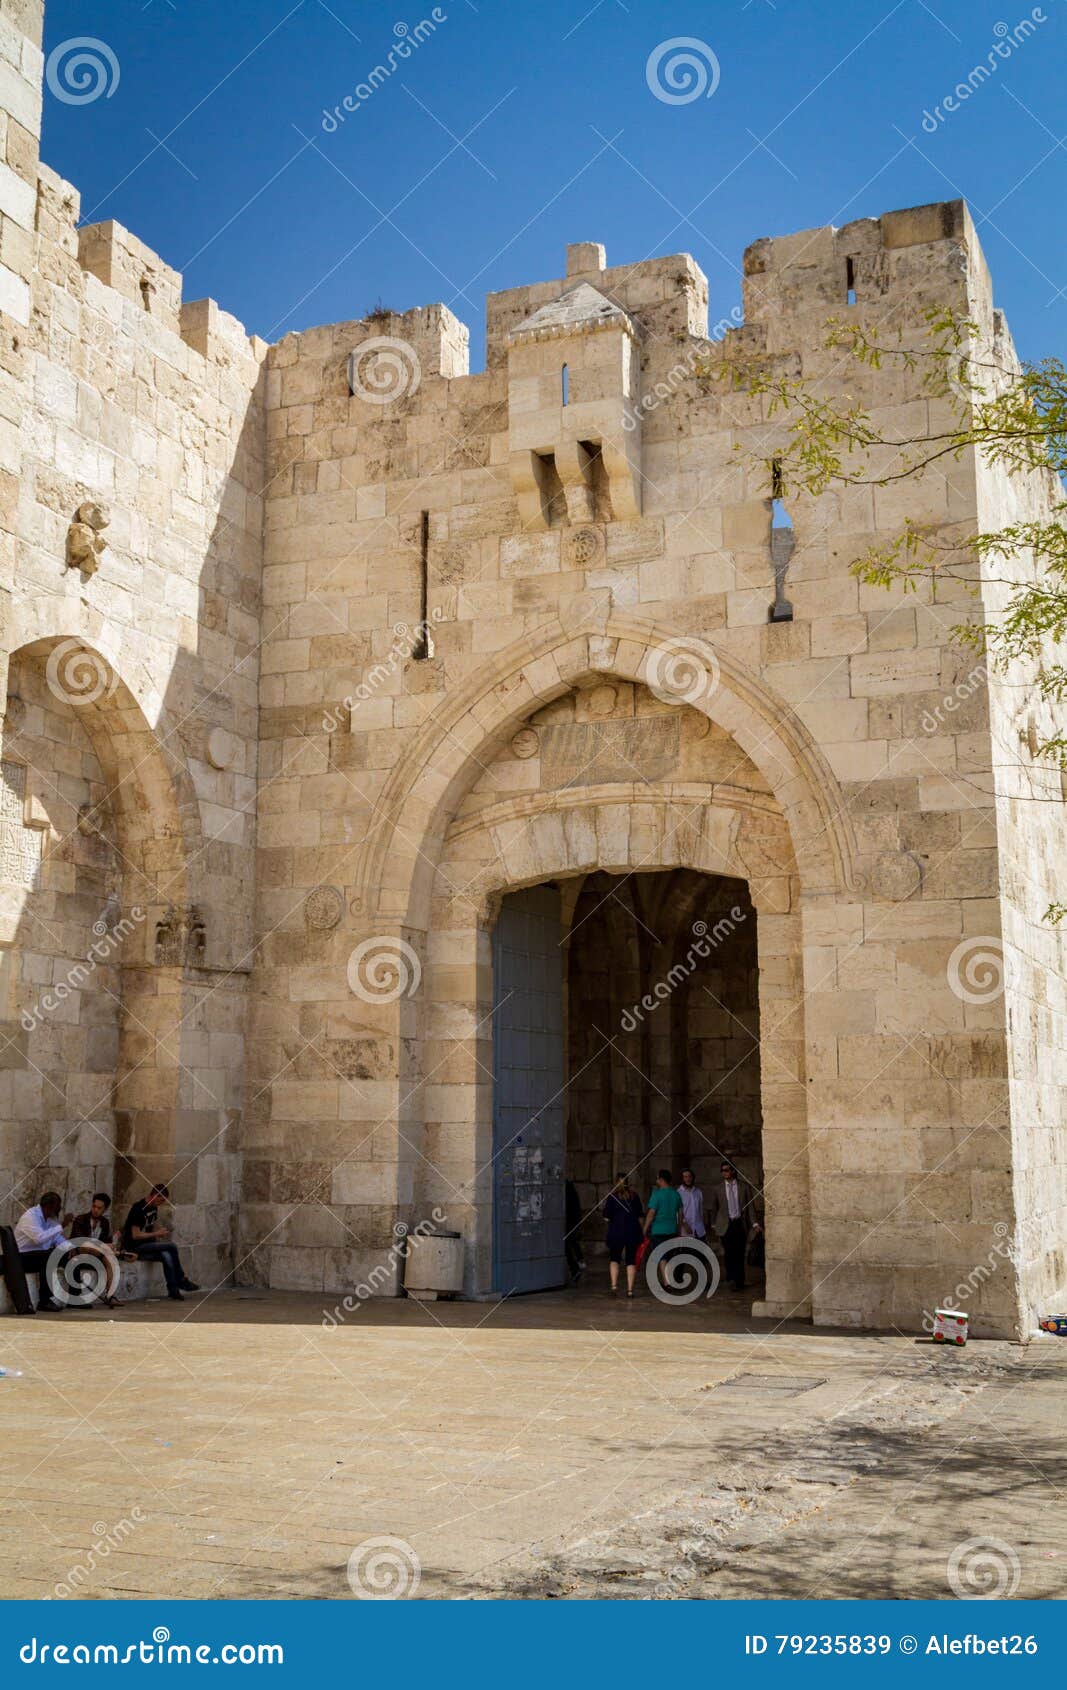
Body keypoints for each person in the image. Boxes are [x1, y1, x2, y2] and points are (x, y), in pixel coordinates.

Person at [122, 1184, 199, 1301]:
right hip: (134, 1247)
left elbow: (150, 1228)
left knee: (166, 1255)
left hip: (147, 1246)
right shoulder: (138, 1209)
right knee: (172, 1246)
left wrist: (157, 1237)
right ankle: (181, 1280)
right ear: (154, 1196)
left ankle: (173, 1290)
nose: (161, 1203)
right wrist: (156, 1234)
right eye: (161, 1200)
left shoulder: (153, 1208)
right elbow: (135, 1235)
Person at [12, 1192, 69, 1311]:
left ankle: (76, 1294)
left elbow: (57, 1238)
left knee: (65, 1253)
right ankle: (44, 1301)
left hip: (38, 1255)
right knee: (49, 1257)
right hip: (21, 1257)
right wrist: (63, 1225)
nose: (60, 1209)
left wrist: (72, 1248)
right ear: (50, 1206)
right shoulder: (30, 1216)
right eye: (58, 1206)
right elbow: (39, 1239)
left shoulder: (50, 1218)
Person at [601, 1174, 644, 1298]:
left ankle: (614, 1286)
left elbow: (606, 1217)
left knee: (614, 1259)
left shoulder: (612, 1197)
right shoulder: (634, 1196)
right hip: (632, 1231)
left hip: (617, 1232)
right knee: (631, 1260)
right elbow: (640, 1215)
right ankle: (630, 1290)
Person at [709, 1161, 748, 1291]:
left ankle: (740, 1280)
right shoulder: (717, 1188)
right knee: (729, 1253)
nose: (724, 1172)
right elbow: (714, 1208)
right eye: (723, 1170)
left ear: (733, 1171)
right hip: (726, 1225)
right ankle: (731, 1279)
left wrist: (754, 1223)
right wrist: (714, 1224)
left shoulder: (744, 1187)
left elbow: (750, 1207)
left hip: (739, 1223)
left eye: (727, 1170)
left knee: (740, 1252)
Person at [644, 1169, 684, 1290]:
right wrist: (678, 1228)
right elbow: (680, 1214)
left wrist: (645, 1228)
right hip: (672, 1229)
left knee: (662, 1257)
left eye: (657, 1178)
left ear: (661, 1180)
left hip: (659, 1230)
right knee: (669, 1255)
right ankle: (668, 1280)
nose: (656, 1181)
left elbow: (651, 1213)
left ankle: (667, 1282)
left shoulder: (657, 1194)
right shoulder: (676, 1194)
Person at [564, 1178, 586, 1284]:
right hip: (573, 1221)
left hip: (569, 1222)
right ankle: (578, 1263)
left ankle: (575, 1267)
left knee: (567, 1244)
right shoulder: (572, 1192)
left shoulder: (568, 1193)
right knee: (571, 1242)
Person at [677, 1168, 706, 1240]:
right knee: (687, 1251)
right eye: (685, 1177)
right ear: (682, 1179)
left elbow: (701, 1210)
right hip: (685, 1231)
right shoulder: (678, 1193)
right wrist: (684, 1224)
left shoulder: (698, 1192)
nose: (688, 1179)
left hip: (699, 1230)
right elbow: (676, 1212)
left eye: (690, 1176)